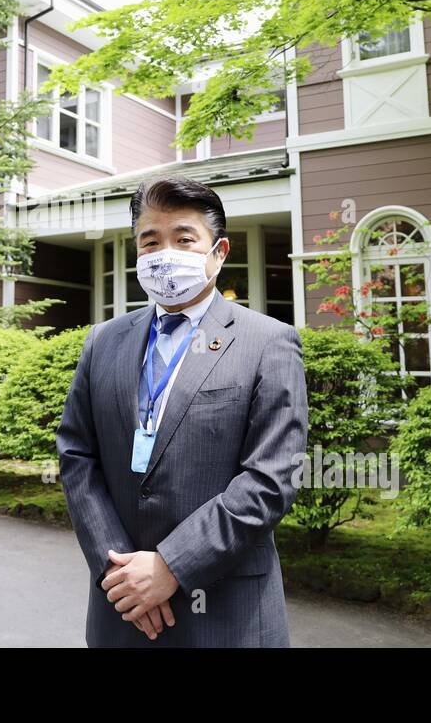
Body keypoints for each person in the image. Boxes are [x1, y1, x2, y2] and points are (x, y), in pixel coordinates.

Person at [56, 175, 309, 647]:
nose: (164, 252)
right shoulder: (103, 341)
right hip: (123, 607)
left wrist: (173, 564)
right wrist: (119, 571)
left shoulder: (267, 342)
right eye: (150, 241)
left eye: (183, 239)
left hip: (225, 611)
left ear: (219, 251)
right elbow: (77, 455)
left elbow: (272, 479)